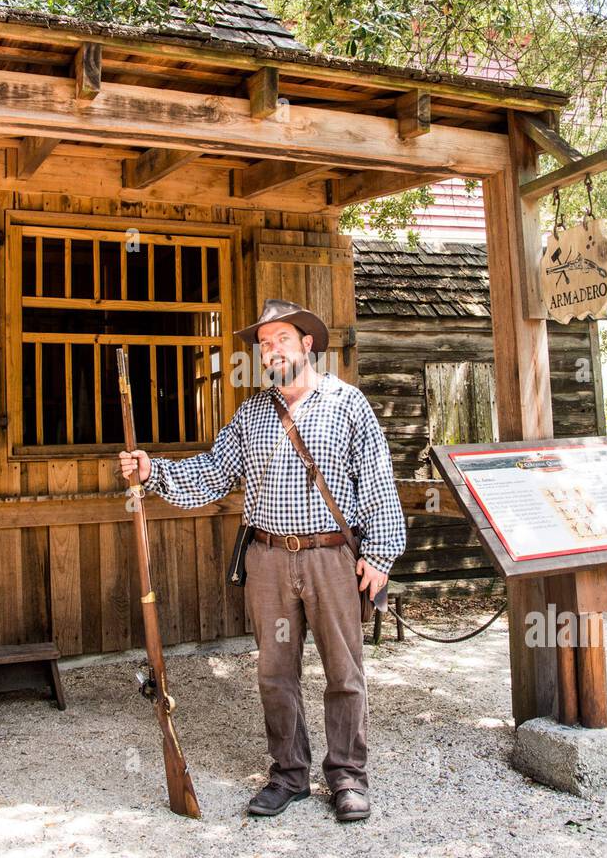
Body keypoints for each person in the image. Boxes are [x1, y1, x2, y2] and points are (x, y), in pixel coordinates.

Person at [119, 298, 406, 822]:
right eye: (265, 344)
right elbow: (212, 472)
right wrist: (152, 471)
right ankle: (289, 774)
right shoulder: (252, 413)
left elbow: (379, 485)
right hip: (268, 559)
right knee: (275, 673)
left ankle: (346, 776)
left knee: (345, 672)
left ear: (307, 345)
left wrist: (381, 555)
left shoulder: (348, 404)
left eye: (281, 340)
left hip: (331, 558)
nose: (271, 350)